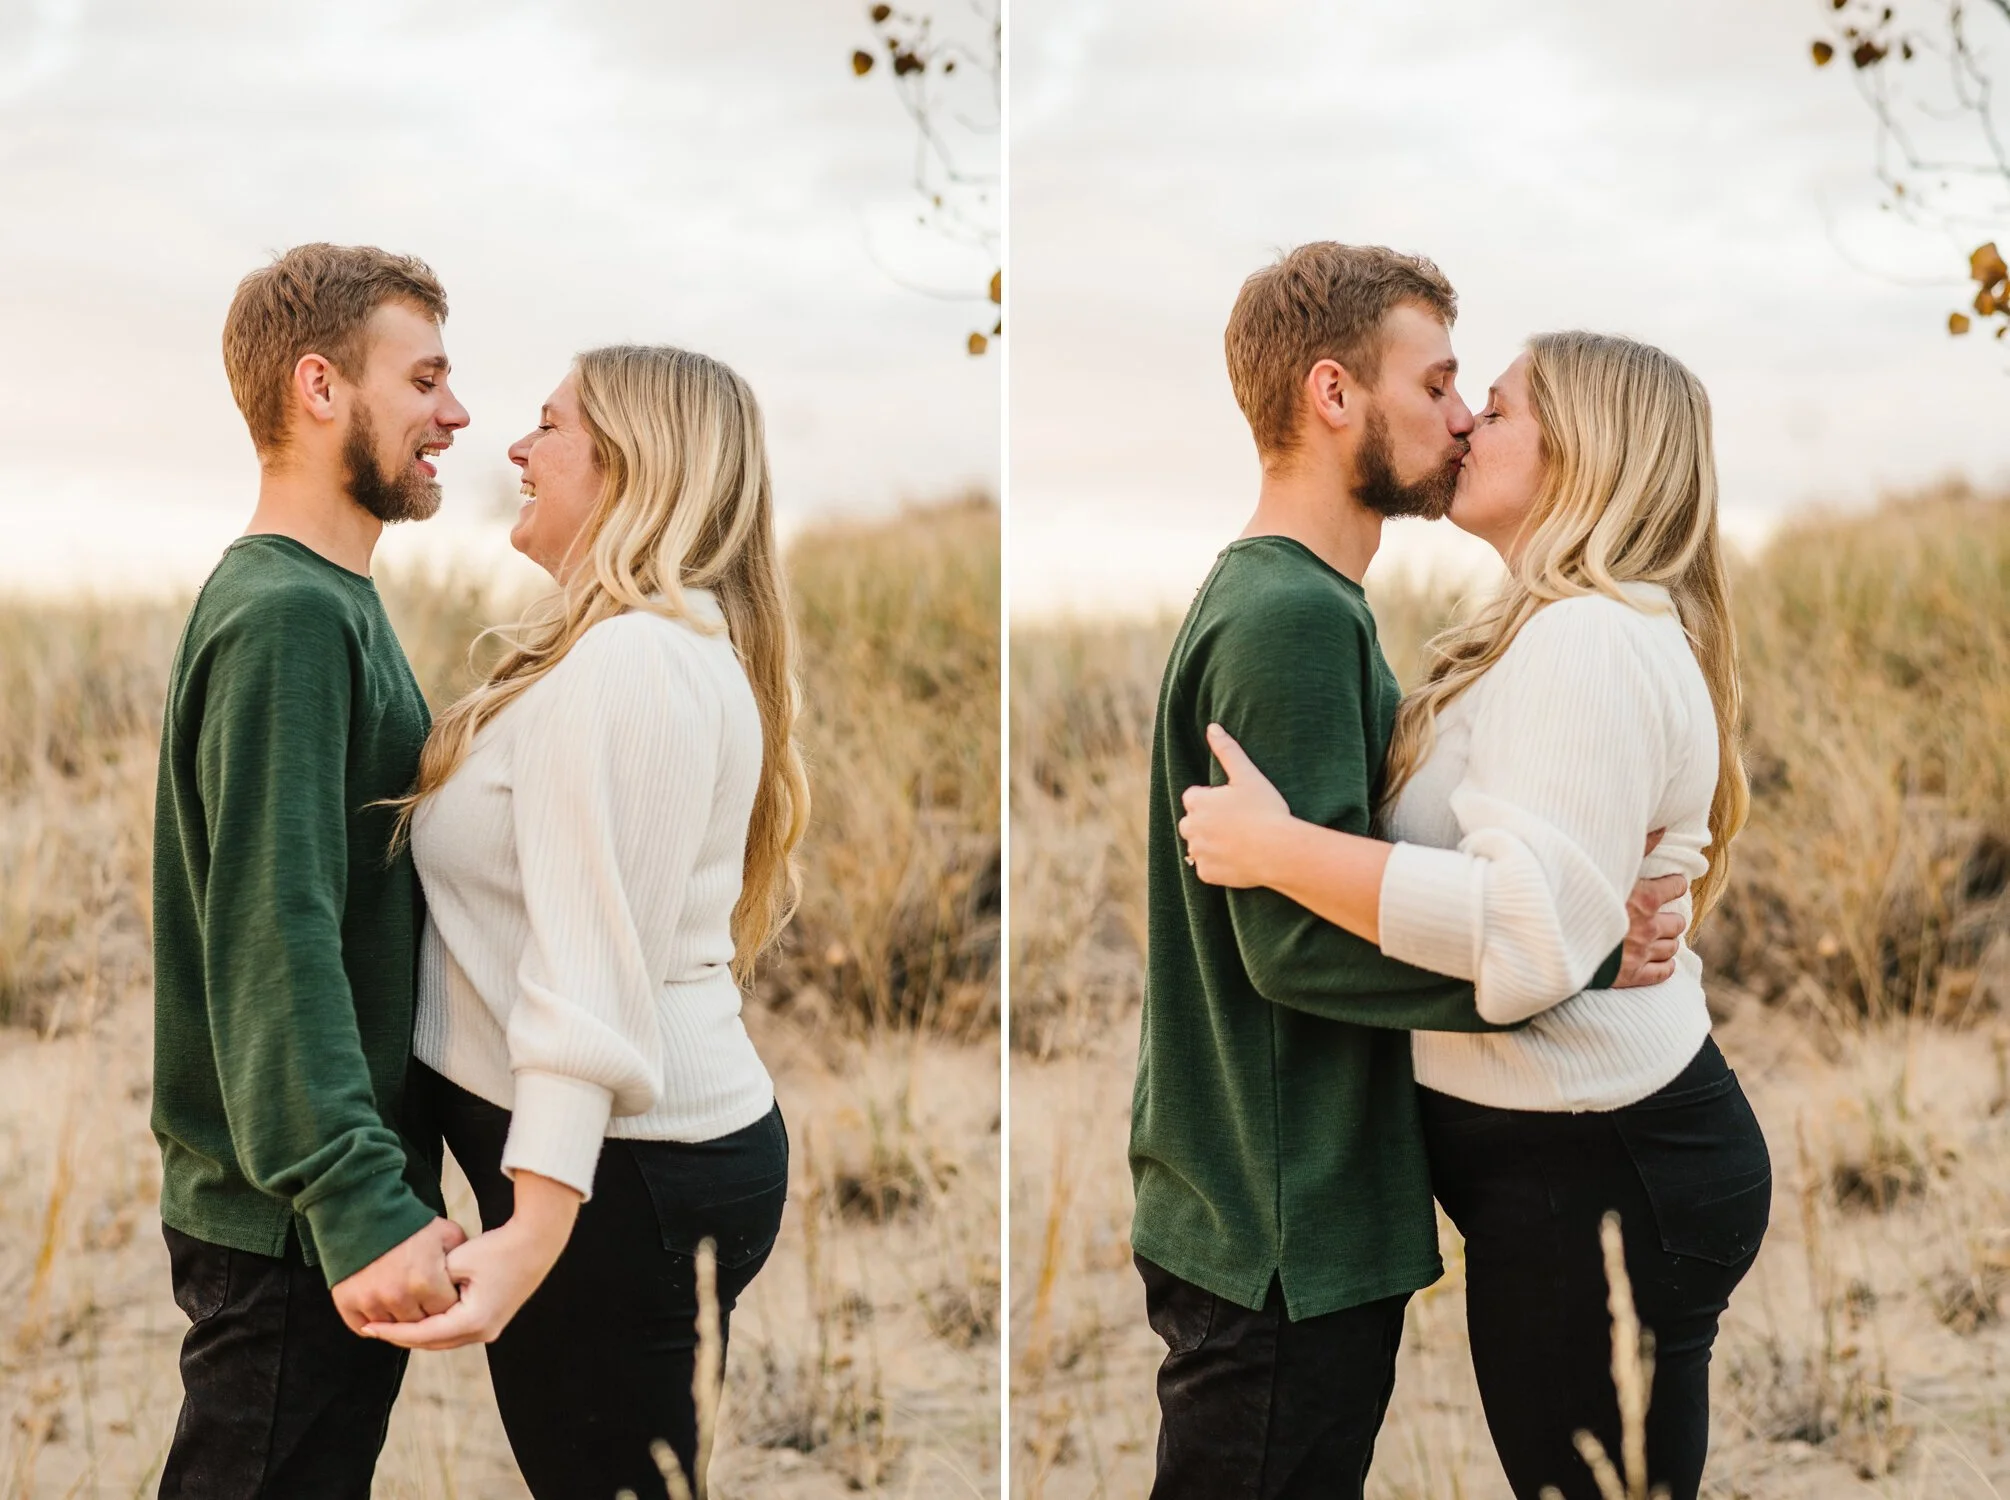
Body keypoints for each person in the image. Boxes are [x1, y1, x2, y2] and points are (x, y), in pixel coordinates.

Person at [1130, 242, 1689, 1500]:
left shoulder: (1309, 601)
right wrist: (1570, 966)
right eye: (1436, 384)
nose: (1460, 416)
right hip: (1282, 1214)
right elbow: (1290, 941)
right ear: (1335, 396)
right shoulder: (1289, 618)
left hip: (1283, 1201)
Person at [362, 344, 807, 1500]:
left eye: (548, 425)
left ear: (630, 464)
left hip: (620, 1186)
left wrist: (537, 1223)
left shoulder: (638, 665)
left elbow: (588, 978)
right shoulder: (623, 648)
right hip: (622, 1174)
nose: (514, 447)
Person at [151, 242, 472, 1498]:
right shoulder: (287, 615)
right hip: (296, 1220)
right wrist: (358, 1200)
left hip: (307, 1208)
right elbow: (274, 932)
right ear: (321, 386)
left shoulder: (328, 600)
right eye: (428, 379)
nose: (455, 414)